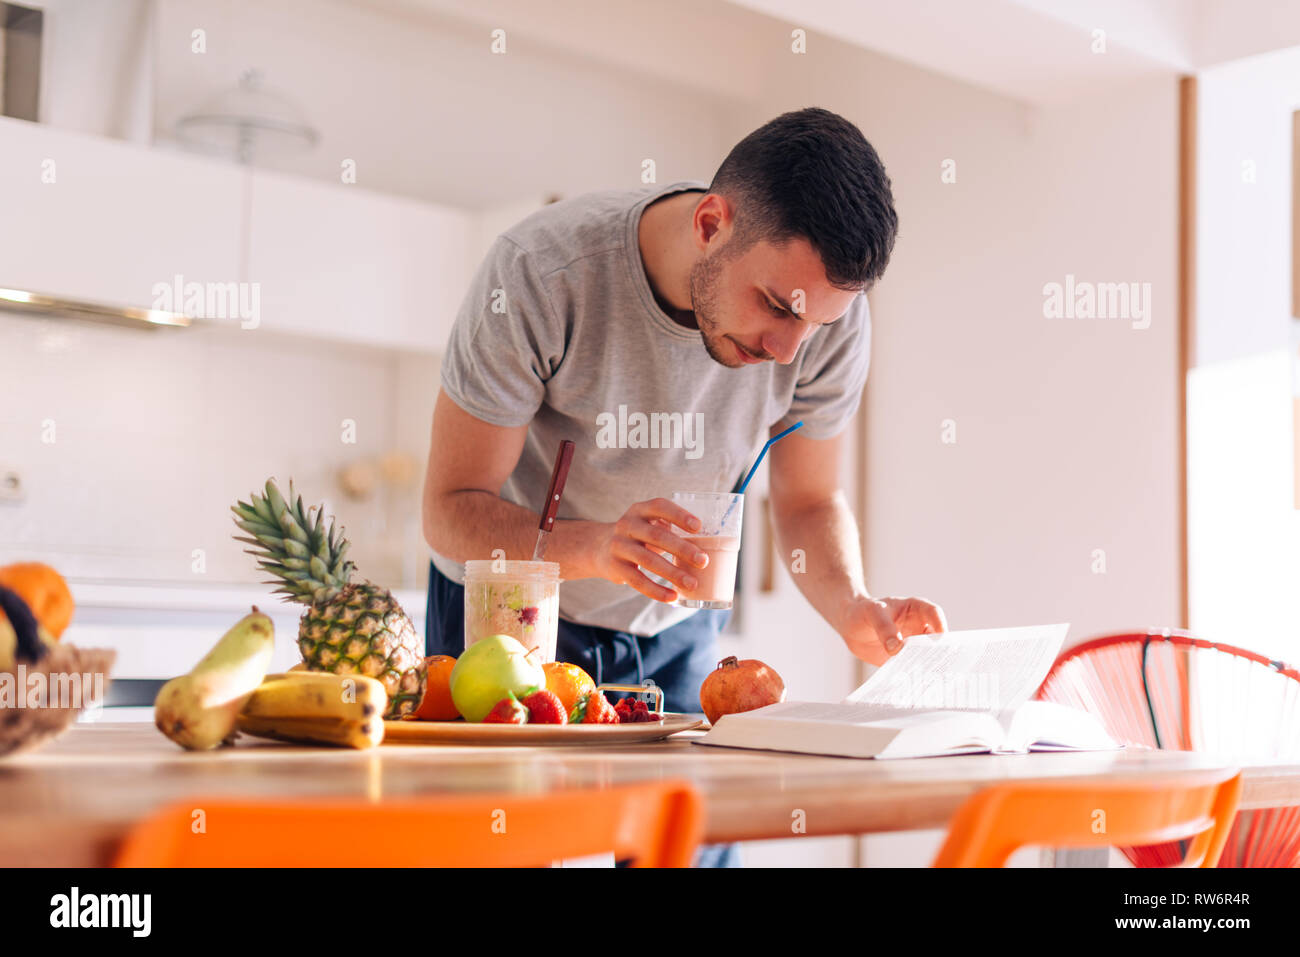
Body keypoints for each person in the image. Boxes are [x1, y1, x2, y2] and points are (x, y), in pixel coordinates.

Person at [422, 107, 946, 867]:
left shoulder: (825, 324)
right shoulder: (541, 274)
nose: (785, 351)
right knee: (499, 848)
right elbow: (449, 509)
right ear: (710, 223)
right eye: (776, 306)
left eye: (817, 327)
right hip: (507, 627)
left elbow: (807, 502)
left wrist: (852, 603)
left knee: (687, 850)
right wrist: (598, 547)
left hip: (675, 633)